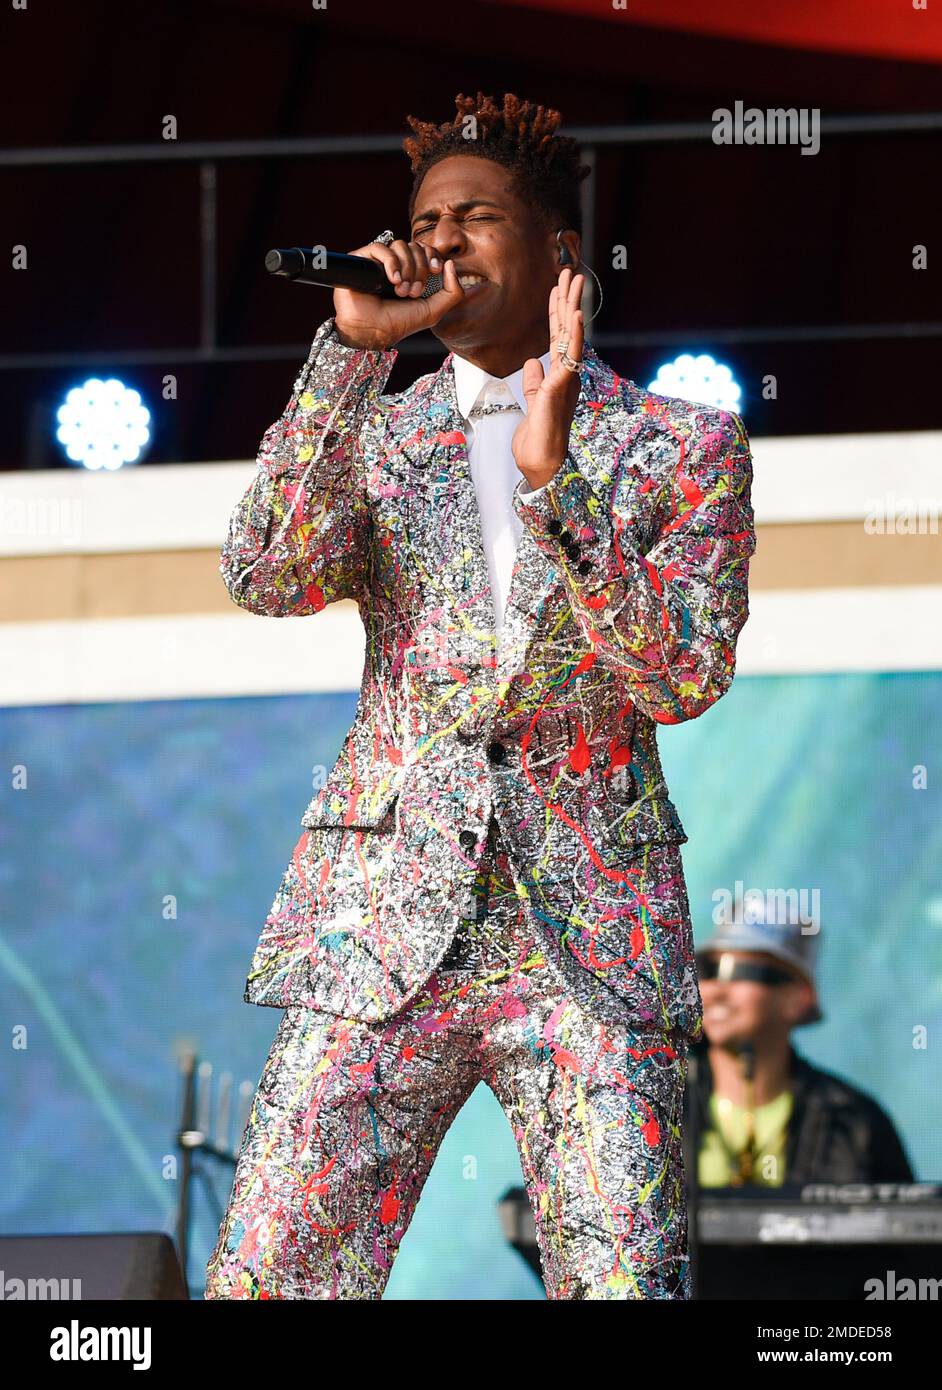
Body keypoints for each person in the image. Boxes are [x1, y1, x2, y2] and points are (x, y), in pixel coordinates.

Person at [204, 90, 755, 1300]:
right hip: (384, 926)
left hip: (591, 940)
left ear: (562, 254)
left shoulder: (683, 446)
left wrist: (555, 479)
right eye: (424, 219)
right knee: (272, 1277)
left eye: (476, 219)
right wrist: (352, 351)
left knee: (624, 1286)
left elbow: (682, 673)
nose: (440, 241)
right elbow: (265, 570)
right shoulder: (379, 435)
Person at [689, 909, 915, 1186]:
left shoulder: (856, 1123)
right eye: (707, 971)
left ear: (797, 999)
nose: (713, 991)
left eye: (739, 972)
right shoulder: (654, 1104)